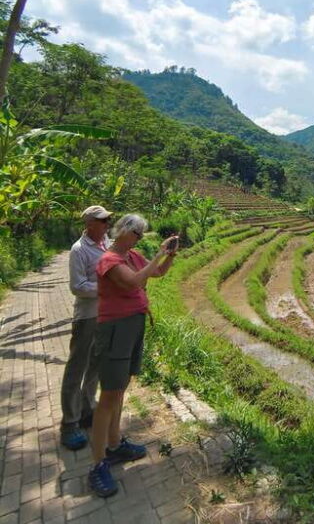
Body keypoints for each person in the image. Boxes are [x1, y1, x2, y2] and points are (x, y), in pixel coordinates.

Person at [88, 213, 179, 498]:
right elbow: (134, 282)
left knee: (120, 390)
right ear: (125, 231)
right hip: (116, 330)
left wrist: (170, 256)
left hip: (133, 327)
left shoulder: (133, 256)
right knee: (108, 396)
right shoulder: (110, 260)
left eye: (141, 235)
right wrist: (159, 253)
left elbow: (157, 273)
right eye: (137, 233)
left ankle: (115, 444)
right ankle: (98, 464)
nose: (139, 239)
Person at [60, 205, 113, 451]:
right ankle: (69, 424)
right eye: (102, 221)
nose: (107, 224)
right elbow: (77, 286)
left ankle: (86, 409)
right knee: (77, 368)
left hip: (105, 314)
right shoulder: (79, 250)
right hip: (87, 317)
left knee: (95, 366)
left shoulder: (106, 243)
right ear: (89, 224)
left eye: (108, 220)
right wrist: (105, 287)